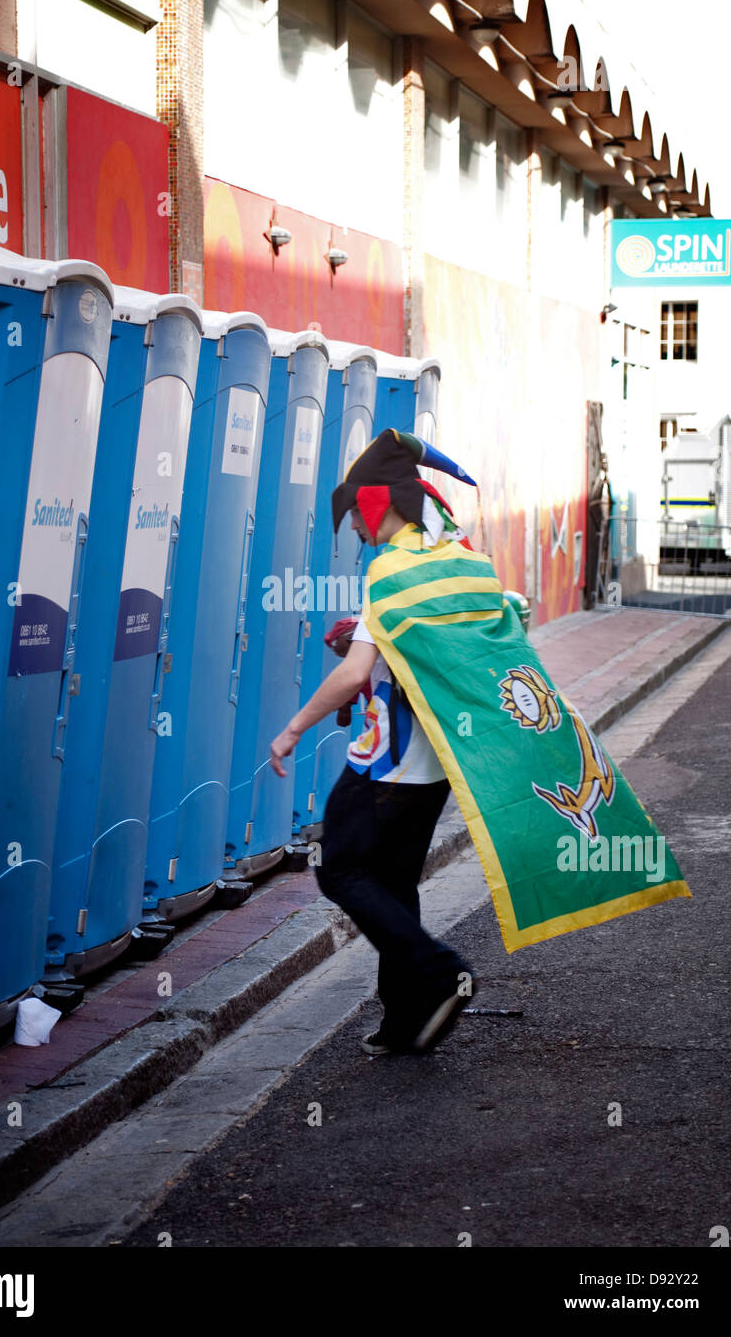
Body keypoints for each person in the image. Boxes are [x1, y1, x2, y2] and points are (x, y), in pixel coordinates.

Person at [270, 430, 478, 1055]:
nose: (355, 532)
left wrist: (293, 728)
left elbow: (356, 676)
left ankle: (441, 971)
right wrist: (363, 634)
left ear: (376, 503)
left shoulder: (390, 569)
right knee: (394, 884)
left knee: (339, 870)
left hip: (386, 763)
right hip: (438, 763)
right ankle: (407, 1018)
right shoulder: (453, 555)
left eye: (356, 516)